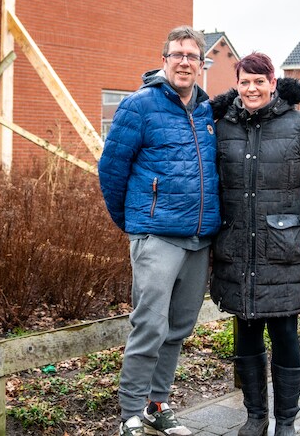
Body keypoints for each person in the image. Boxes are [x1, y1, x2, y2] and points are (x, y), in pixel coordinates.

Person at [209, 52, 300, 436]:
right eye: (244, 82)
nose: (251, 89)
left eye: (258, 81)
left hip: (283, 252)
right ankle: (255, 417)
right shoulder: (222, 127)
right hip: (238, 252)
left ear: (272, 82)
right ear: (237, 84)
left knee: (285, 335)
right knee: (246, 334)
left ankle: (286, 421)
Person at [99, 26, 221, 436]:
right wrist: (136, 224)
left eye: (192, 56)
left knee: (179, 327)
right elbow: (111, 170)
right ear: (164, 59)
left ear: (201, 64)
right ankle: (130, 413)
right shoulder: (139, 106)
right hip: (157, 236)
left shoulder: (206, 111)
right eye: (178, 54)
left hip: (199, 238)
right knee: (150, 325)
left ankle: (156, 404)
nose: (185, 61)